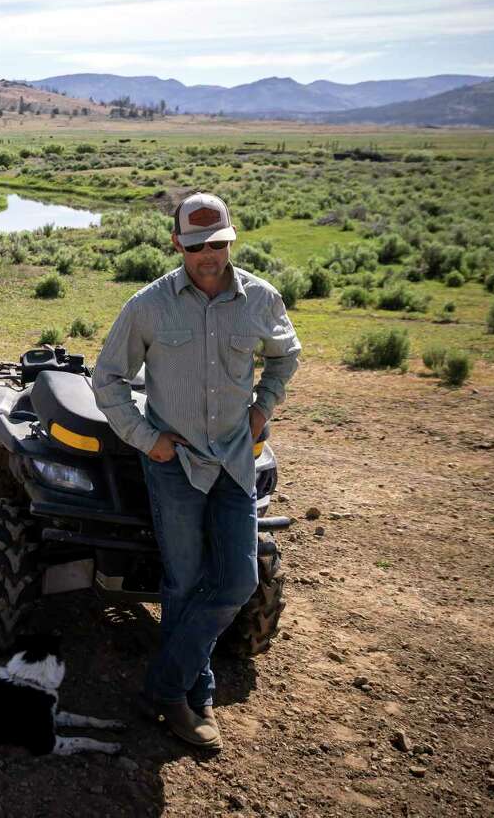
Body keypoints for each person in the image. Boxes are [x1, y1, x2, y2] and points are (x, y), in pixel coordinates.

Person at [92, 192, 300, 751]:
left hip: (234, 460)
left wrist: (263, 407)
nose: (209, 256)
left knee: (238, 579)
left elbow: (286, 353)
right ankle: (195, 698)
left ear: (232, 239)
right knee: (182, 582)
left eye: (219, 243)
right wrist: (146, 438)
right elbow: (107, 379)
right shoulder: (150, 305)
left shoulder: (259, 297)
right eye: (197, 245)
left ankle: (164, 687)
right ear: (177, 244)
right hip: (175, 463)